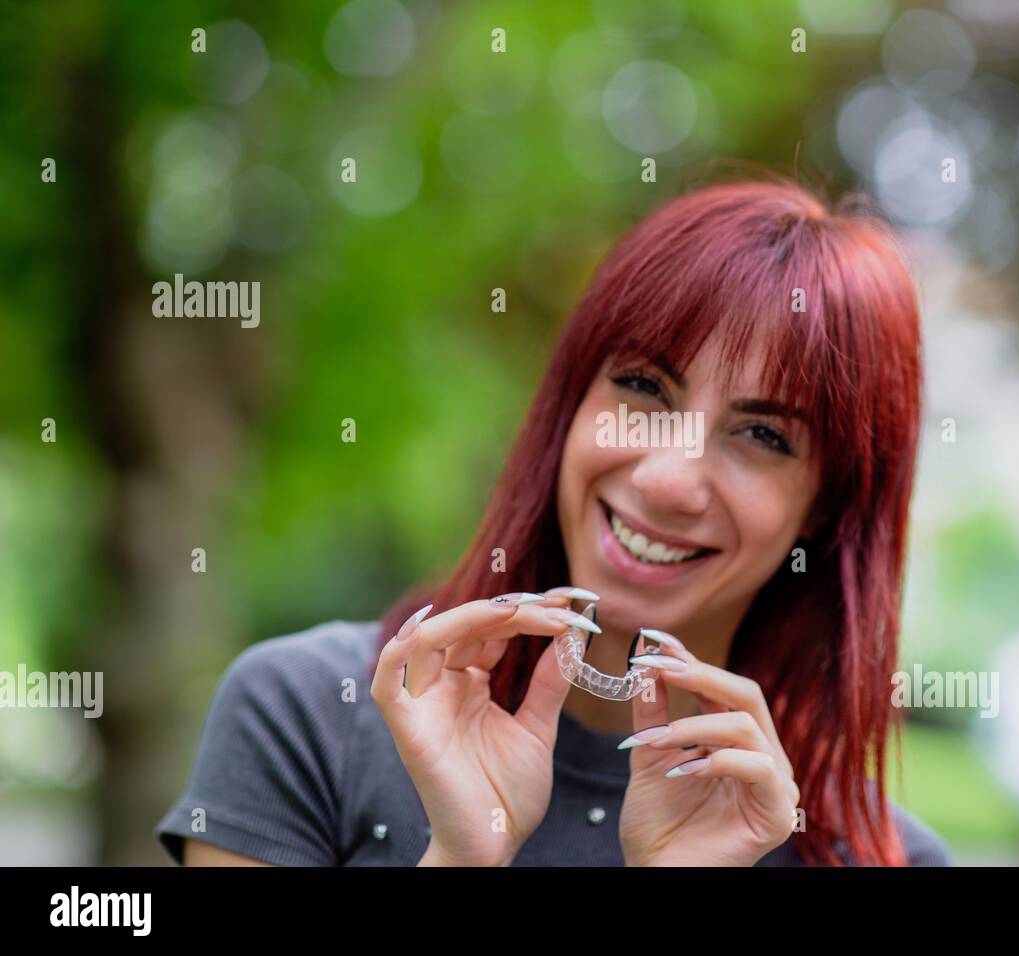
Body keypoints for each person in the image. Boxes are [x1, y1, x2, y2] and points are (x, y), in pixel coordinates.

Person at [155, 173, 951, 866]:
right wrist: (464, 856)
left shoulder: (884, 858)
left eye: (763, 435)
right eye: (643, 388)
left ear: (828, 508)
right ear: (570, 402)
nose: (670, 478)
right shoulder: (305, 713)